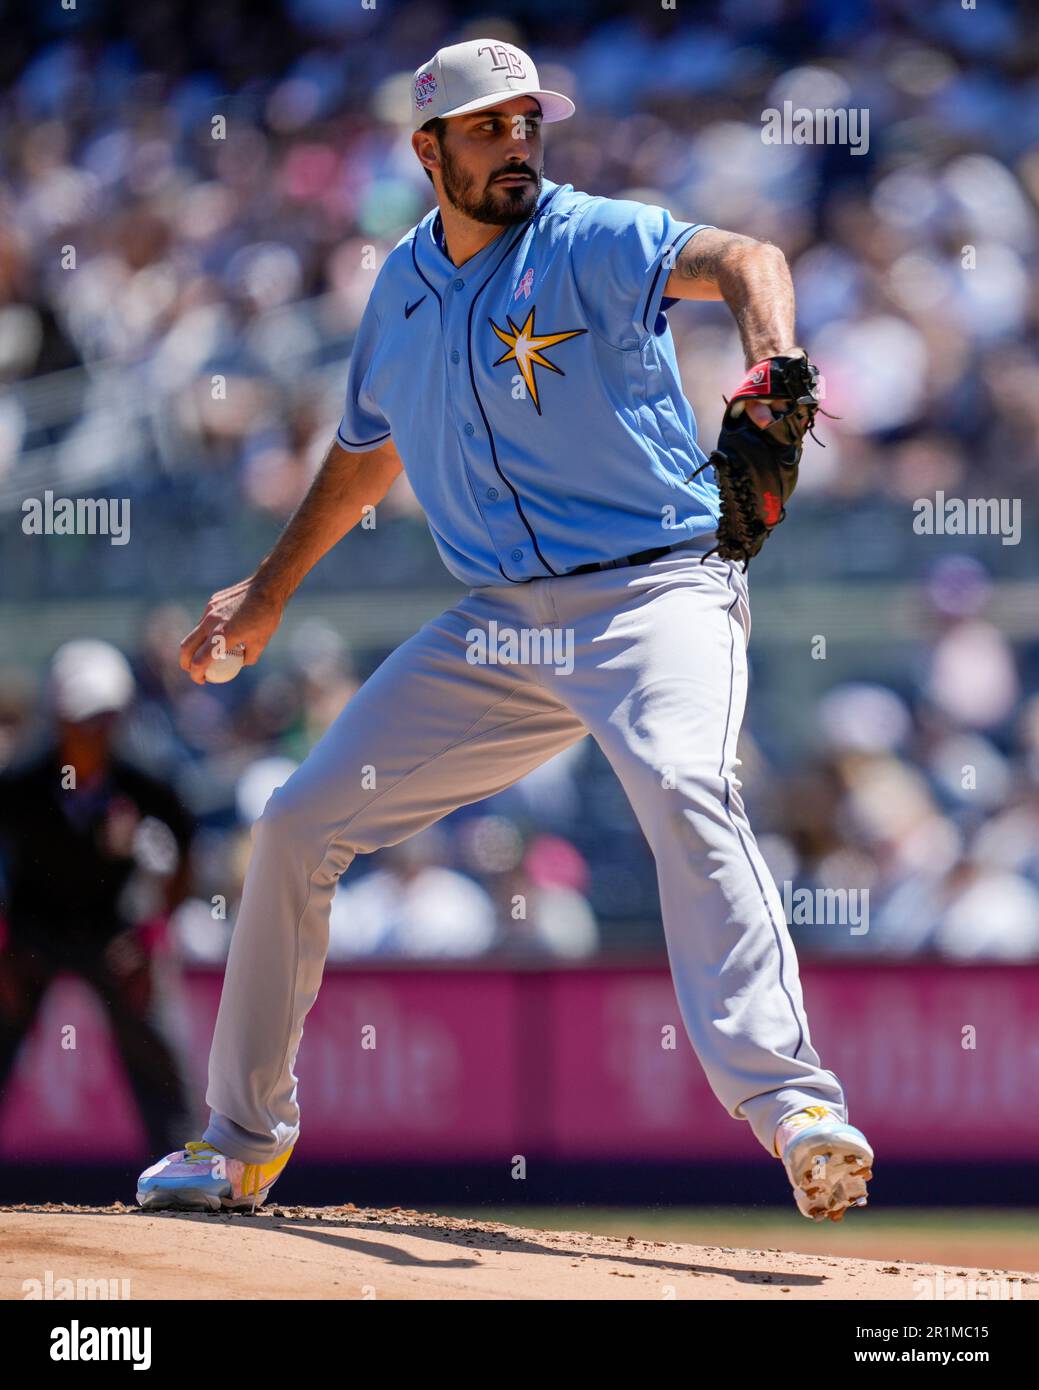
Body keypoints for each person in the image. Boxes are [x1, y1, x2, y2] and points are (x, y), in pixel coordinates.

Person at [137, 39, 873, 1220]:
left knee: (687, 783)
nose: (518, 141)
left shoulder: (587, 235)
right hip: (497, 628)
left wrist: (773, 355)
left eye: (529, 120)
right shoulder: (399, 290)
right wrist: (270, 589)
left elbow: (748, 255)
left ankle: (795, 1108)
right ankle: (238, 1141)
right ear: (427, 148)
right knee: (293, 825)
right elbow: (363, 455)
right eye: (488, 126)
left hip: (655, 595)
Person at [0, 640, 195, 1156]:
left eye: (108, 717)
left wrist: (153, 936)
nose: (97, 731)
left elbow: (187, 856)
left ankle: (183, 1174)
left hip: (118, 939)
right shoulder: (20, 781)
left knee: (158, 1056)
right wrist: (2, 950)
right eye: (86, 718)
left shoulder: (146, 780)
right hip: (29, 942)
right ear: (59, 717)